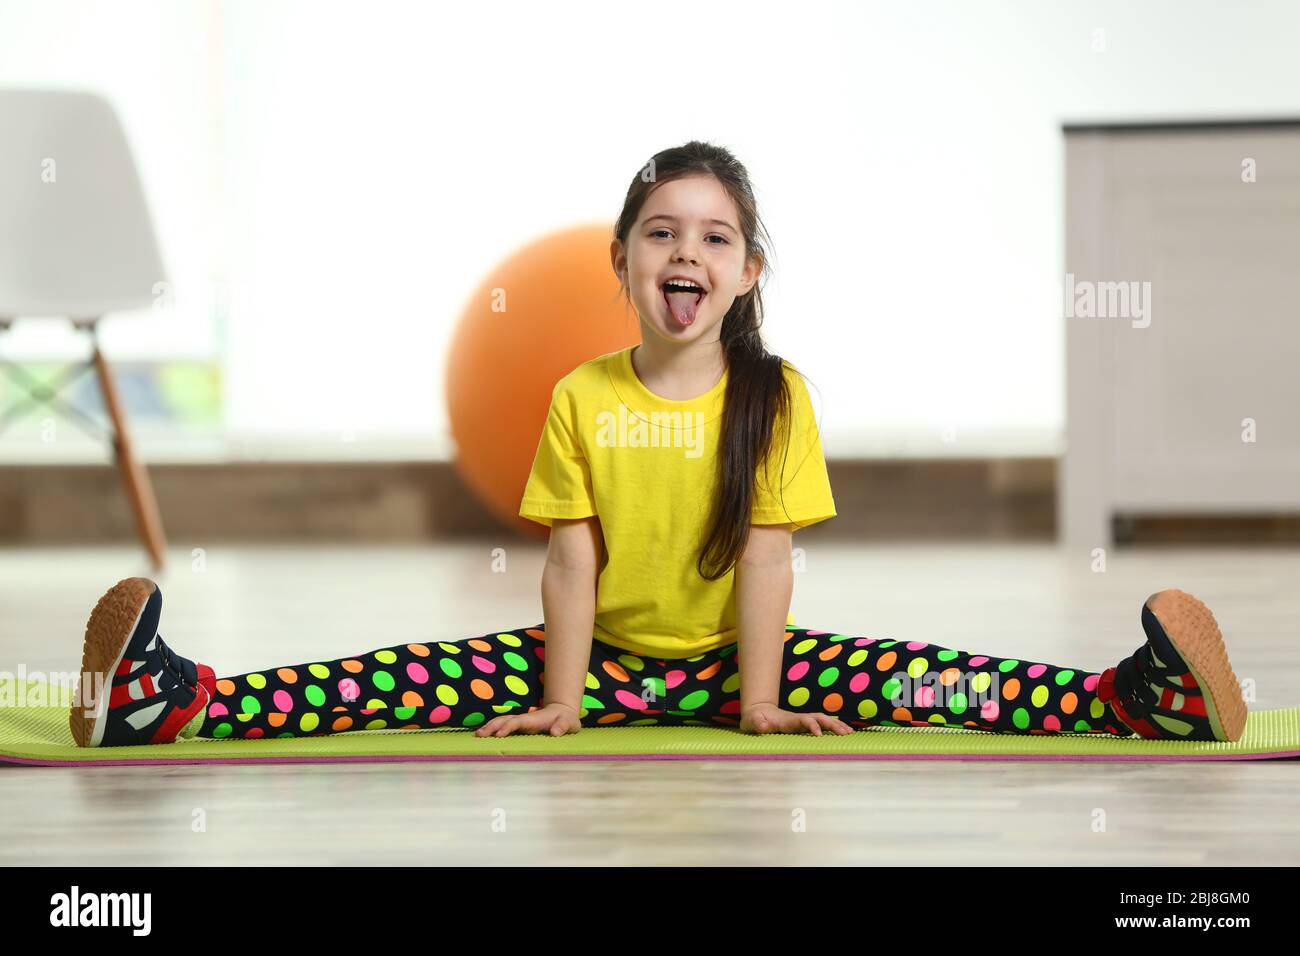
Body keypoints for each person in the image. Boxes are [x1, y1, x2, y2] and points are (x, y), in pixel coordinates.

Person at [68, 141, 1248, 748]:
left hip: (743, 654)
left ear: (745, 273)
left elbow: (770, 561)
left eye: (715, 237)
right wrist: (565, 700)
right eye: (661, 233)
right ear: (624, 259)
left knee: (924, 675)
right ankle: (171, 701)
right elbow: (569, 558)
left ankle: (1138, 700)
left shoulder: (774, 397)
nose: (687, 253)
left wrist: (763, 695)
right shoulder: (580, 393)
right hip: (603, 658)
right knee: (395, 676)